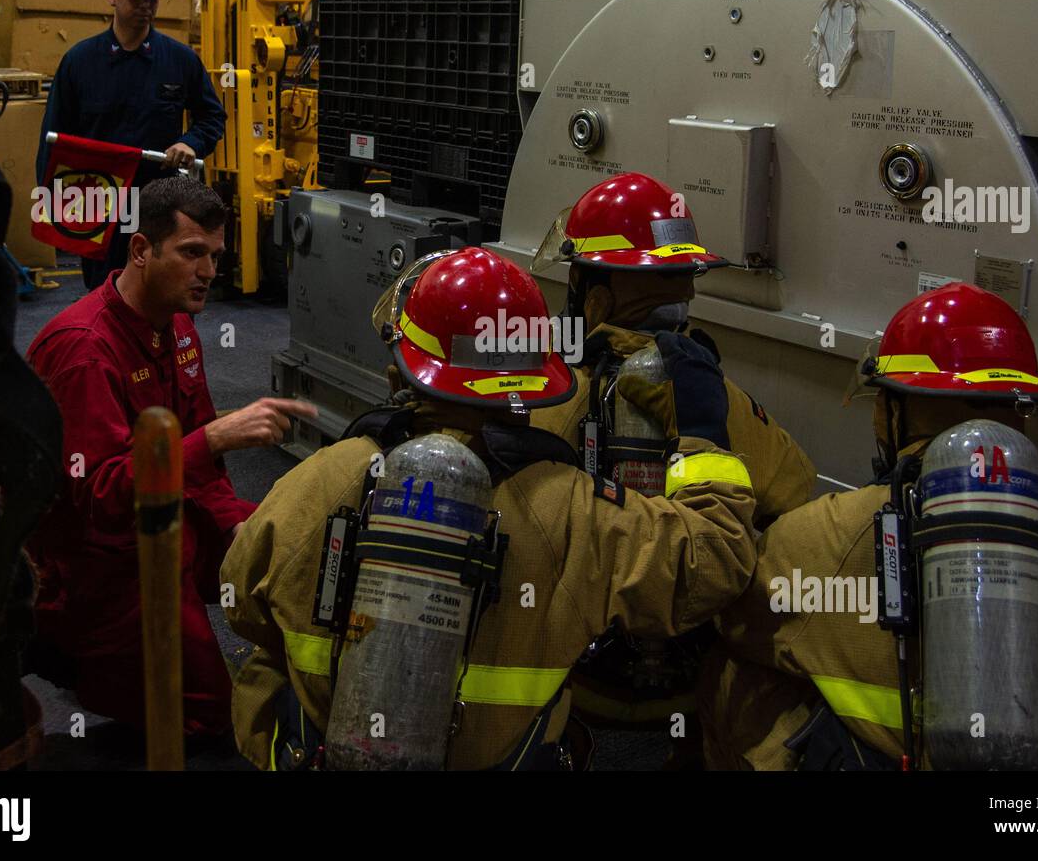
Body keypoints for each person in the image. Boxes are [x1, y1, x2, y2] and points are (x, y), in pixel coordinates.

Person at [222, 247, 759, 769]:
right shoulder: (574, 511)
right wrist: (702, 436)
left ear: (399, 375)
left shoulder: (322, 479)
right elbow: (715, 562)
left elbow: (240, 603)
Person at [698, 282, 1038, 770]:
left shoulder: (817, 538)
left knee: (731, 671)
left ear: (894, 412)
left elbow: (731, 618)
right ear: (1022, 412)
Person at [26, 176, 316, 735]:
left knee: (293, 550)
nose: (208, 271)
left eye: (214, 255)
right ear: (141, 250)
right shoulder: (84, 349)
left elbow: (203, 471)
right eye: (191, 253)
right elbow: (101, 497)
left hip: (169, 520)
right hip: (102, 563)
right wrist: (213, 439)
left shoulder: (178, 326)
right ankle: (70, 652)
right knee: (218, 717)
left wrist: (244, 534)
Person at [528, 172, 816, 729]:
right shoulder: (720, 401)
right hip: (687, 697)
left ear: (596, 298)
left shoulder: (549, 400)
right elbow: (796, 493)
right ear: (685, 290)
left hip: (570, 690)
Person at [35, 0, 226, 290]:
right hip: (99, 200)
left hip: (158, 201)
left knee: (162, 290)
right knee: (103, 295)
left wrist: (190, 142)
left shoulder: (179, 61)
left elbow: (212, 116)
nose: (146, 5)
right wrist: (56, 208)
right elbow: (53, 137)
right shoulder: (80, 62)